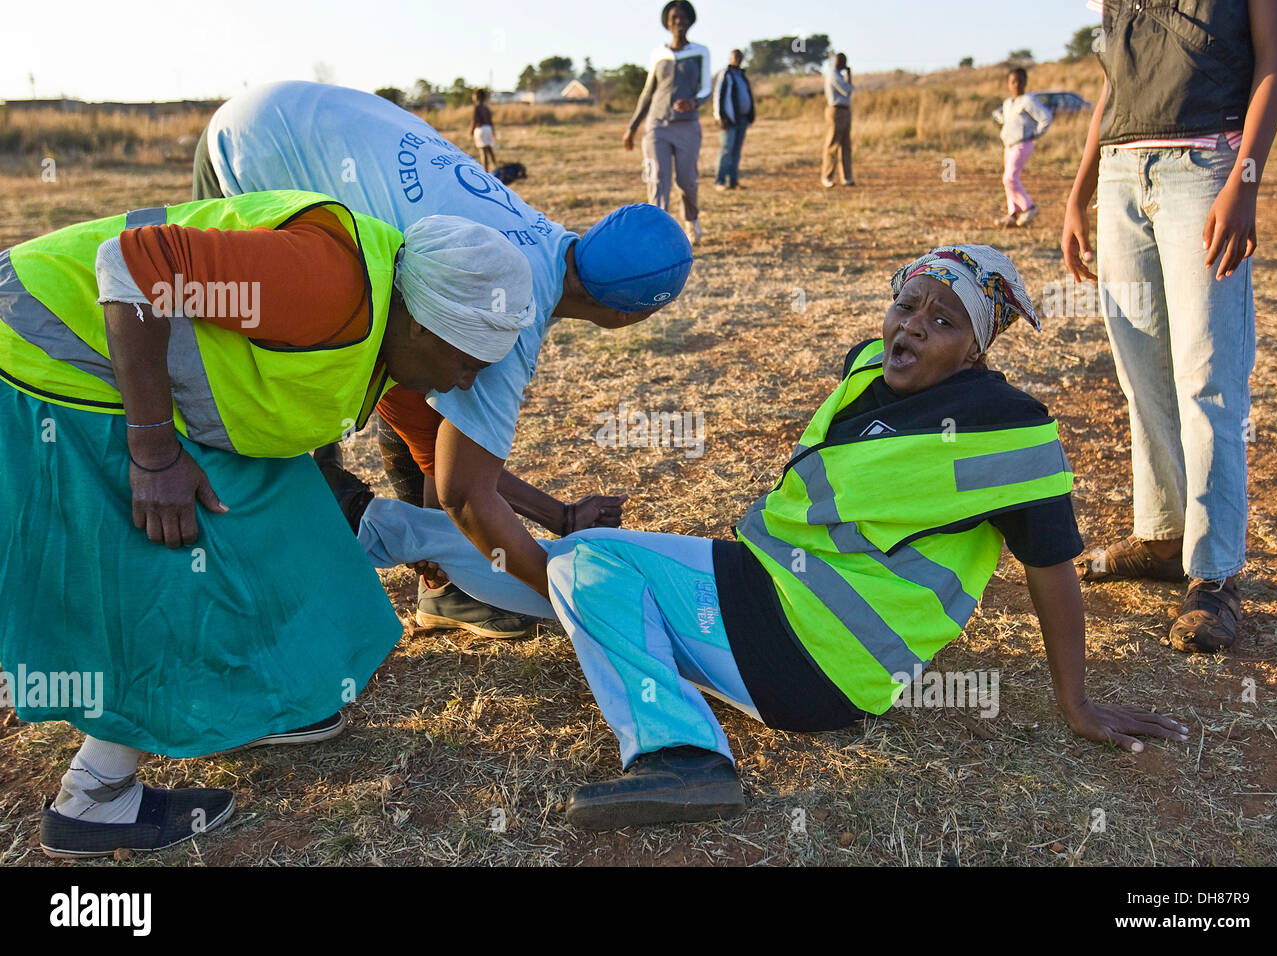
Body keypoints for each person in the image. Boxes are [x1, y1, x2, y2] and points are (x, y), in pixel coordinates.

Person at [356, 245, 1191, 830]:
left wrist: (1074, 702)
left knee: (584, 568)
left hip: (817, 664)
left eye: (940, 322)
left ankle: (682, 755)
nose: (910, 325)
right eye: (907, 303)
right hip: (759, 588)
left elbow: (1051, 569)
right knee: (579, 578)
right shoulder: (868, 364)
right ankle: (380, 530)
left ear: (976, 350)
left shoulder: (1009, 431)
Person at [0, 189, 537, 857]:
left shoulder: (389, 324)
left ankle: (255, 703)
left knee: (288, 535)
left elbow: (304, 392)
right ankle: (96, 799)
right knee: (173, 573)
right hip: (50, 349)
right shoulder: (329, 283)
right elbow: (130, 268)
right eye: (466, 364)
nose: (464, 384)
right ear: (425, 329)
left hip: (125, 373)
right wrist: (152, 449)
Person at [194, 81, 694, 637]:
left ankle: (435, 579)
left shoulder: (539, 242)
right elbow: (464, 495)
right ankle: (295, 550)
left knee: (417, 381)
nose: (469, 376)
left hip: (297, 113)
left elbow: (447, 448)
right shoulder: (507, 310)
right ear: (631, 316)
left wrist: (559, 517)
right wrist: (567, 597)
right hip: (251, 156)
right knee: (264, 384)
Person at [1062, 0, 1277, 652]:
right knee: (1144, 377)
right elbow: (1116, 79)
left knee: (1207, 378)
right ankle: (1163, 537)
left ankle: (1214, 575)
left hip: (1207, 166)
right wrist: (1080, 193)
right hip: (1120, 174)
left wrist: (1246, 180)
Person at [624, 1, 712, 244]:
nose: (678, 22)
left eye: (683, 17)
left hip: (687, 126)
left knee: (687, 181)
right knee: (657, 179)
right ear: (667, 22)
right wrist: (632, 128)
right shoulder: (658, 54)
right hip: (656, 125)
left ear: (690, 21)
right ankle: (658, 233)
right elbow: (648, 92)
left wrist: (693, 103)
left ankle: (691, 221)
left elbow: (706, 89)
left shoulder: (700, 51)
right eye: (674, 17)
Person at [995, 67, 1052, 227]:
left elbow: (1046, 117)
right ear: (1008, 84)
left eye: (1020, 81)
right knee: (1009, 179)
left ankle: (1029, 207)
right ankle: (1013, 214)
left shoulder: (1028, 101)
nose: (1016, 84)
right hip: (1008, 145)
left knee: (1009, 178)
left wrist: (1036, 134)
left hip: (1023, 143)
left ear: (1025, 82)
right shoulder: (1007, 103)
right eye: (1013, 81)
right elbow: (1009, 121)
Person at [713, 49, 755, 191]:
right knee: (726, 150)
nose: (737, 59)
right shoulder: (725, 74)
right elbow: (718, 96)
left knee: (736, 152)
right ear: (730, 57)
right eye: (735, 56)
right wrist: (720, 117)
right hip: (729, 119)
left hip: (742, 119)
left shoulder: (742, 75)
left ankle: (733, 181)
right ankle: (720, 181)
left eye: (739, 56)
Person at [821, 52, 854, 188]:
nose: (844, 64)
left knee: (846, 145)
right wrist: (849, 75)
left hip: (845, 110)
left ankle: (846, 177)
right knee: (833, 144)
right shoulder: (833, 75)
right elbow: (847, 90)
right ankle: (827, 177)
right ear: (836, 62)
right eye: (842, 61)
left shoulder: (839, 75)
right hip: (836, 110)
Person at [471, 89, 496, 172]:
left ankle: (486, 171)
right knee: (490, 150)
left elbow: (474, 121)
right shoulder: (486, 108)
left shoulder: (476, 108)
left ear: (476, 97)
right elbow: (491, 121)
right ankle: (495, 168)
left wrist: (471, 131)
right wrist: (493, 132)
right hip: (488, 128)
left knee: (483, 152)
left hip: (480, 129)